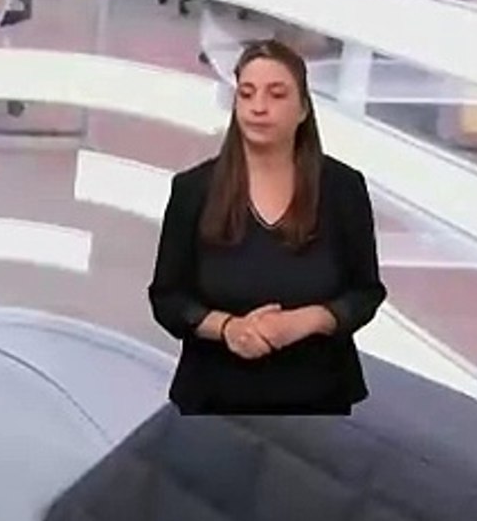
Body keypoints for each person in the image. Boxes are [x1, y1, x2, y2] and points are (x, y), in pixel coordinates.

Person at [147, 38, 388, 415]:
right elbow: (168, 298)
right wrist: (228, 328)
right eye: (246, 94)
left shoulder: (342, 189)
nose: (258, 107)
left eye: (276, 95)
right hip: (213, 399)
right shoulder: (193, 189)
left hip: (318, 400)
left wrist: (308, 321)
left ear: (303, 108)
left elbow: (365, 292)